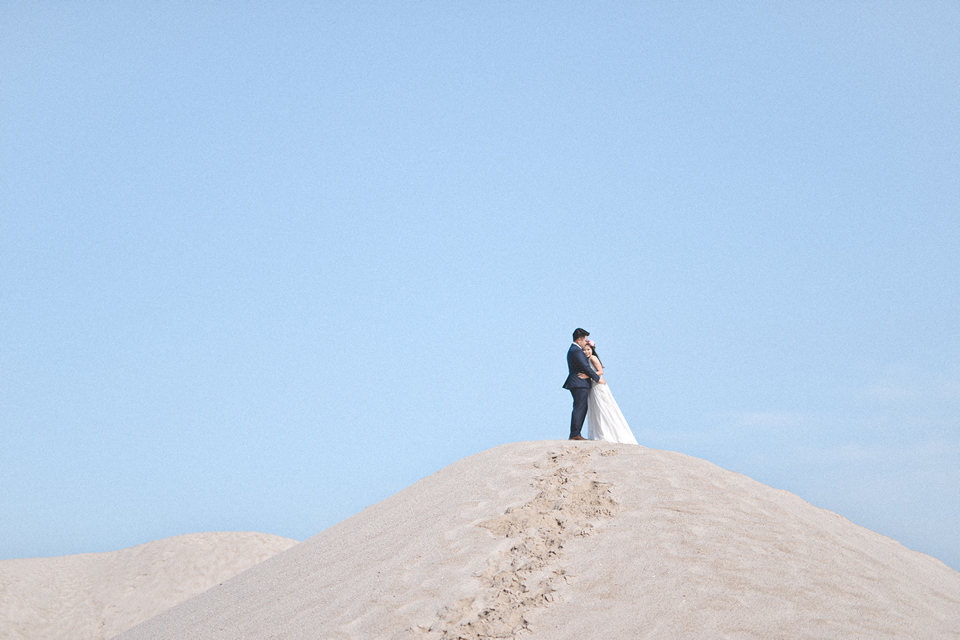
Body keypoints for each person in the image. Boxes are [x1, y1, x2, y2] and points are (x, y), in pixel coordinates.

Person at [583, 341, 638, 444]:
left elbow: (600, 371)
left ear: (592, 350)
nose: (586, 352)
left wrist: (588, 376)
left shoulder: (593, 358)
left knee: (603, 408)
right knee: (596, 409)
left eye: (588, 350)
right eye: (584, 350)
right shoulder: (585, 360)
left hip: (598, 386)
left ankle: (607, 433)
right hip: (593, 386)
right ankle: (599, 432)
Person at [562, 328, 604, 440]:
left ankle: (576, 433)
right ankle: (575, 434)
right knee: (580, 407)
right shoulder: (576, 351)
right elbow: (585, 367)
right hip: (579, 383)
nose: (586, 342)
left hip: (578, 383)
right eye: (585, 340)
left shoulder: (574, 350)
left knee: (581, 407)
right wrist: (597, 378)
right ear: (579, 340)